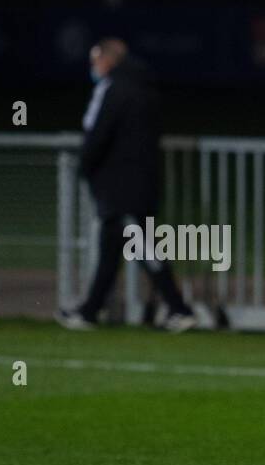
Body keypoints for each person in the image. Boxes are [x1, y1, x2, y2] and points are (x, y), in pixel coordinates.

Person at [56, 38, 196, 332]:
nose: (93, 67)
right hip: (139, 181)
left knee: (142, 247)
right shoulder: (145, 88)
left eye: (96, 61)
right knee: (110, 250)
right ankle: (90, 310)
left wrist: (86, 165)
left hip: (121, 186)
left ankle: (179, 308)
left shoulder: (113, 90)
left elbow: (98, 134)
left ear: (107, 61)